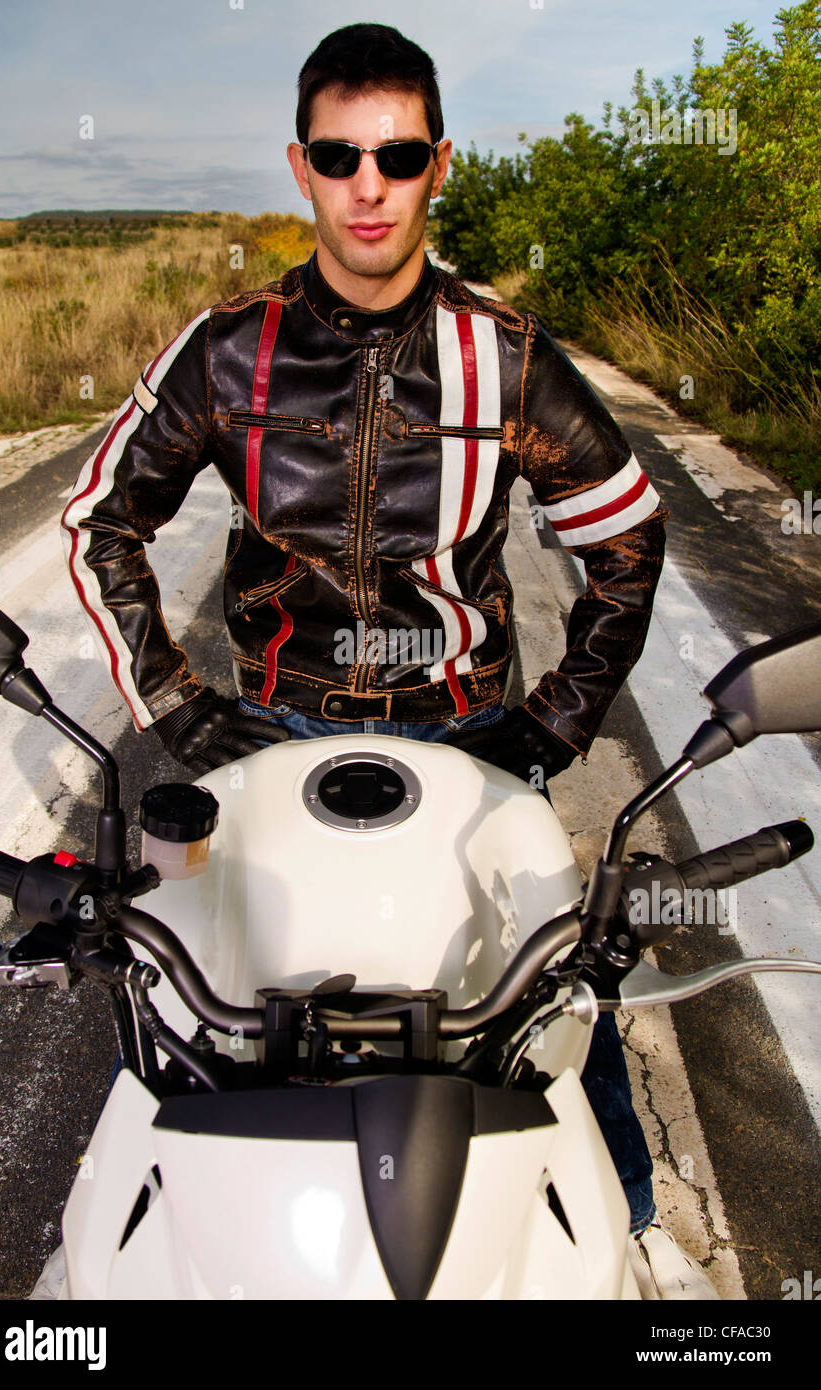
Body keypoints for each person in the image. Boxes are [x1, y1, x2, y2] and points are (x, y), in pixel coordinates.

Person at [60, 22, 717, 1300]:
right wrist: (179, 713)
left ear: (436, 165)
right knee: (184, 1006)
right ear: (299, 166)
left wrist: (551, 731)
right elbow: (99, 522)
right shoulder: (228, 348)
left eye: (398, 154)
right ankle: (122, 1249)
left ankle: (633, 1237)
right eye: (339, 153)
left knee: (550, 1016)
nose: (369, 183)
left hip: (469, 738)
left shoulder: (507, 355)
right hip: (270, 733)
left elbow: (627, 535)